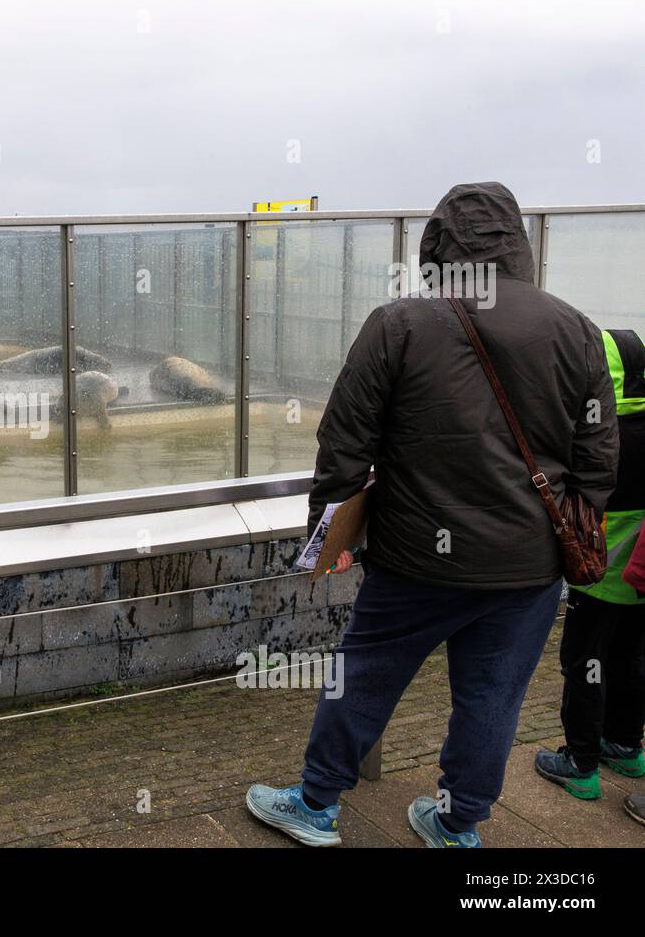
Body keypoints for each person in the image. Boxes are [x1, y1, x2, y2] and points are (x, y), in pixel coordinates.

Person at [245, 182, 618, 848]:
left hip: (415, 560)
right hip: (529, 568)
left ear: (438, 246)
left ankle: (316, 805)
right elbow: (596, 463)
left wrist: (329, 533)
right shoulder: (577, 330)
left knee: (363, 676)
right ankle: (457, 824)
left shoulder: (400, 324)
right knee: (492, 698)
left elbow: (345, 443)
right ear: (518, 244)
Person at [535, 328, 645, 801]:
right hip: (640, 581)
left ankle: (580, 764)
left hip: (597, 577)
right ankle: (625, 744)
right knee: (631, 660)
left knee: (585, 663)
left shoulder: (601, 436)